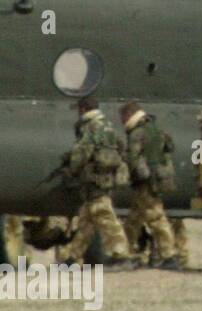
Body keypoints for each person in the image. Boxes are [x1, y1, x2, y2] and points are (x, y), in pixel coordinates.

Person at [58, 97, 134, 269]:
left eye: (79, 109)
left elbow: (82, 152)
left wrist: (72, 169)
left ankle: (121, 255)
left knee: (105, 215)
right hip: (104, 178)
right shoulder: (107, 126)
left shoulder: (90, 127)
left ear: (84, 109)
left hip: (94, 180)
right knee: (86, 220)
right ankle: (72, 257)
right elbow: (120, 148)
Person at [120, 101, 181, 269]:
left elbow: (134, 158)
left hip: (146, 183)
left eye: (122, 118)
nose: (122, 122)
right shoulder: (155, 129)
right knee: (133, 219)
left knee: (155, 217)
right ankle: (124, 254)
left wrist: (141, 175)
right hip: (157, 179)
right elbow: (168, 150)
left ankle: (169, 255)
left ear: (128, 115)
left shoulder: (137, 133)